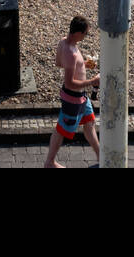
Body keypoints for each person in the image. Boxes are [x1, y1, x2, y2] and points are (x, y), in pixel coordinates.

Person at [44, 16, 100, 168]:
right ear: (78, 33)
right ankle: (49, 163)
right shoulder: (71, 53)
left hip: (82, 98)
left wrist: (83, 66)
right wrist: (92, 82)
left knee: (89, 123)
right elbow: (69, 83)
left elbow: (58, 63)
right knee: (61, 130)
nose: (86, 36)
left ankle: (102, 157)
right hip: (73, 99)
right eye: (86, 34)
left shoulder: (64, 42)